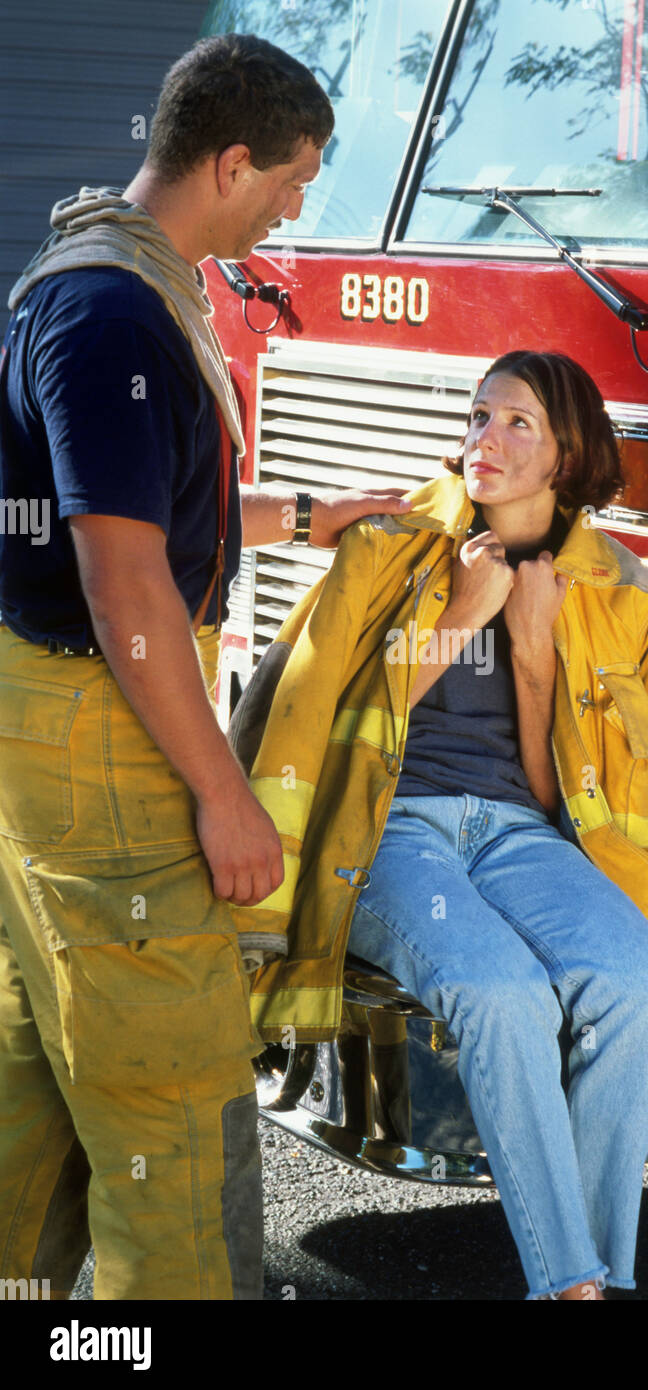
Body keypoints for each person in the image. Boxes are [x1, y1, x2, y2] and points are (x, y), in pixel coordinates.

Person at [0, 33, 411, 1300]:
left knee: (40, 1083)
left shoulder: (95, 269)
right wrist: (222, 793)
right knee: (174, 1127)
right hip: (105, 747)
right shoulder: (114, 310)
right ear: (232, 161)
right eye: (295, 177)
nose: (300, 205)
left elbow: (144, 508)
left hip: (48, 745)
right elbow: (125, 582)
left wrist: (303, 514)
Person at [228, 350, 648, 1300]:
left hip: (521, 834)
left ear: (566, 456)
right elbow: (333, 720)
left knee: (647, 991)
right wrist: (461, 619)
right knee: (502, 991)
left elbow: (557, 793)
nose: (484, 437)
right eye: (479, 416)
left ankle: (598, 1276)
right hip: (390, 829)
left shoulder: (631, 597)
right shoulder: (395, 546)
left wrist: (529, 647)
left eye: (516, 422)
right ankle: (572, 1287)